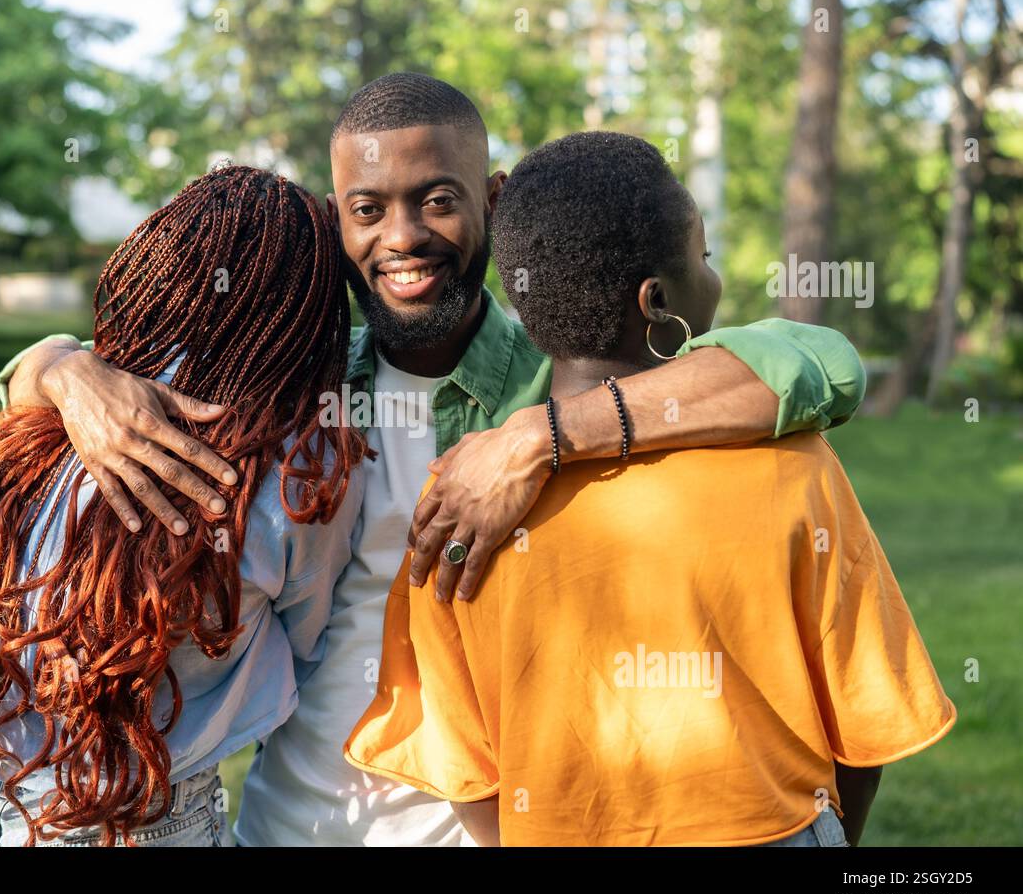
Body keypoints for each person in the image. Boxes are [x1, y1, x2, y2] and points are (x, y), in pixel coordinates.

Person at [0, 73, 869, 846]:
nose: (402, 237)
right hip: (291, 828)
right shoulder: (288, 395)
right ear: (339, 222)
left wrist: (543, 434)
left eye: (438, 199)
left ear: (492, 198)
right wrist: (63, 368)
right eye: (367, 210)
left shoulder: (561, 371)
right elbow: (38, 413)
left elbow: (820, 365)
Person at [344, 131, 956, 846]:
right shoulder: (798, 469)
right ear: (657, 300)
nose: (714, 277)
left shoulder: (459, 505)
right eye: (703, 256)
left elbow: (467, 775)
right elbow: (864, 734)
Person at [0, 165, 367, 846]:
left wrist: (60, 362)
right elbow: (312, 639)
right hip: (131, 819)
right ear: (309, 310)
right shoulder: (292, 472)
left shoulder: (48, 417)